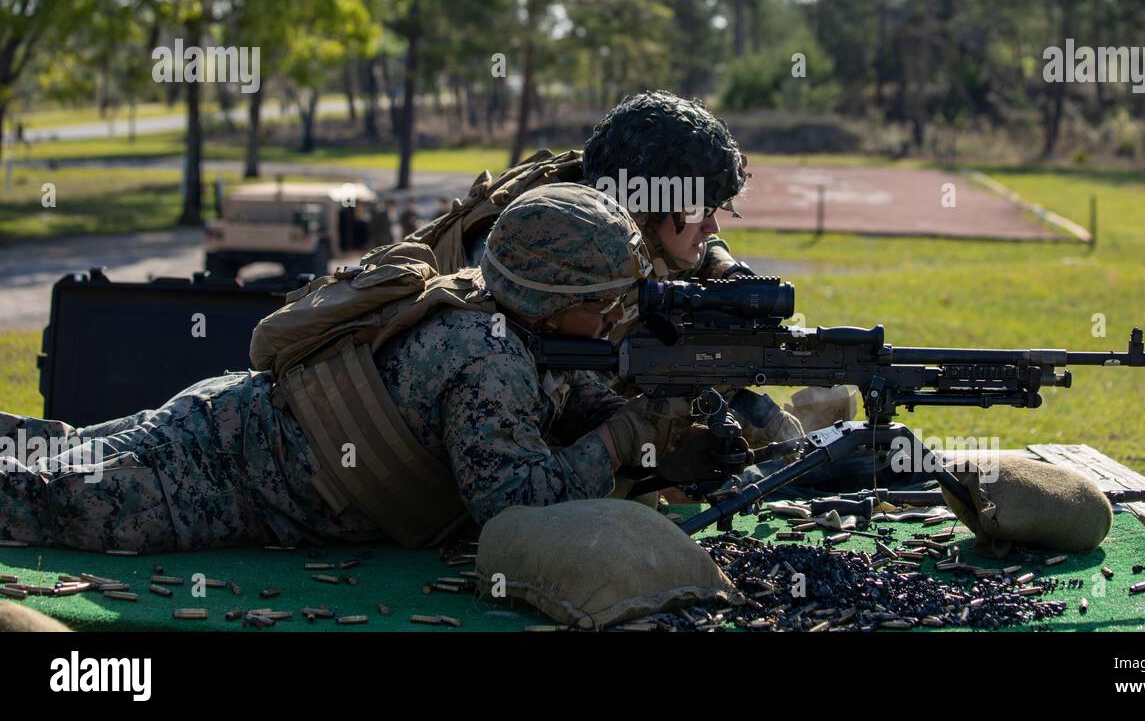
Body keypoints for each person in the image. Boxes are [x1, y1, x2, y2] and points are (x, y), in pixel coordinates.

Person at [0, 185, 730, 553]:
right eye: (601, 303)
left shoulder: (506, 315)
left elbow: (575, 403)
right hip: (214, 478)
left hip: (227, 426)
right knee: (33, 497)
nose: (611, 318)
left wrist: (647, 429)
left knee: (43, 451)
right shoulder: (488, 357)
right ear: (552, 298)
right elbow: (516, 506)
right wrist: (621, 439)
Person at [408, 91, 803, 447]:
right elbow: (555, 400)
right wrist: (648, 430)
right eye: (698, 210)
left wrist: (724, 272)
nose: (712, 226)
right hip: (498, 445)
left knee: (775, 436)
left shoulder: (626, 205)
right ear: (643, 208)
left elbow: (694, 245)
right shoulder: (535, 253)